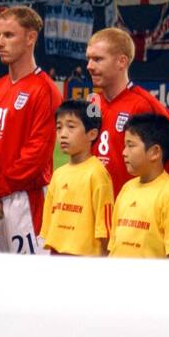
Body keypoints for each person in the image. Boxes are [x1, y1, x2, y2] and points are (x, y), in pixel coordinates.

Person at [0, 6, 62, 254]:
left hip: (25, 201)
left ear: (30, 38)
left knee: (28, 279)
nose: (0, 42)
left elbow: (36, 154)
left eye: (9, 35)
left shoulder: (45, 89)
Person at [85, 27, 169, 195]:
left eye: (98, 59)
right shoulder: (93, 102)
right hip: (97, 206)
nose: (89, 66)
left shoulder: (145, 105)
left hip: (132, 211)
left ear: (122, 61)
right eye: (89, 59)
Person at [108, 113, 169, 258]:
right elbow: (113, 245)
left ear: (154, 152)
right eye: (124, 145)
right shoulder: (126, 188)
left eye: (130, 145)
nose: (123, 152)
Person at [39, 100, 115, 256]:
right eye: (59, 127)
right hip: (57, 253)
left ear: (92, 134)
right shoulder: (58, 174)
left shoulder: (97, 174)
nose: (63, 134)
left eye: (71, 127)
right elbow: (48, 226)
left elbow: (105, 229)